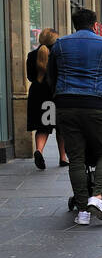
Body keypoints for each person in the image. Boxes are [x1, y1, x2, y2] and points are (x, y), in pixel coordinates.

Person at [47, 8, 102, 225]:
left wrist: (59, 98)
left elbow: (50, 77)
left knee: (76, 158)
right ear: (95, 24)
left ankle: (82, 211)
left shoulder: (60, 45)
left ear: (74, 24)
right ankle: (97, 197)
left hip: (66, 104)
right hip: (96, 104)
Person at [26, 29, 67, 169]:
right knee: (61, 128)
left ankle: (39, 150)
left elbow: (30, 77)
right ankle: (63, 157)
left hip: (37, 95)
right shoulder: (58, 55)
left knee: (42, 127)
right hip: (55, 94)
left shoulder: (31, 55)